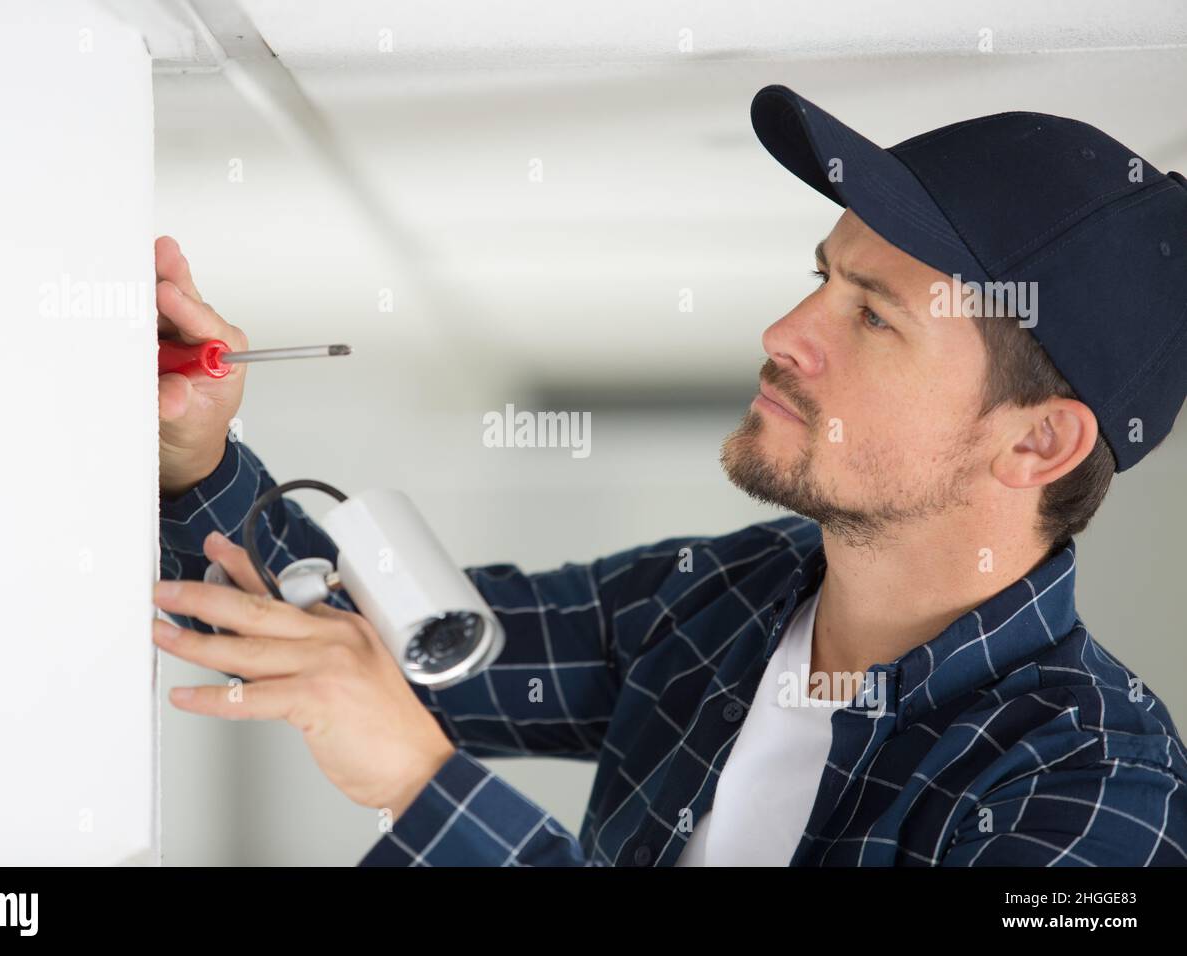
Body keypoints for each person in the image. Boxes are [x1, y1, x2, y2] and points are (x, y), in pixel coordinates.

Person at [152, 84, 1187, 866]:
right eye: (820, 278)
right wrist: (194, 455)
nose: (783, 333)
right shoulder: (717, 600)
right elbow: (368, 640)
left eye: (873, 315)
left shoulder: (1093, 793)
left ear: (1036, 443)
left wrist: (421, 787)